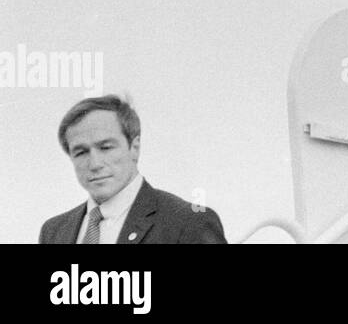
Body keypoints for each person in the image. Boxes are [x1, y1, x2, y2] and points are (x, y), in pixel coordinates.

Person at [39, 95, 227, 244]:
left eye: (106, 147)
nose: (94, 164)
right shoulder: (54, 231)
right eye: (81, 152)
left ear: (134, 147)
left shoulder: (189, 223)